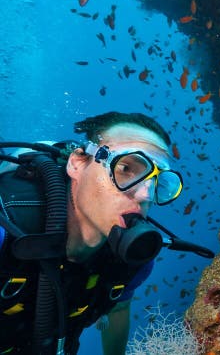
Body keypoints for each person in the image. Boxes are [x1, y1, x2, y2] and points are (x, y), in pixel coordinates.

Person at [0, 112, 183, 355]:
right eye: (126, 168)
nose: (145, 195)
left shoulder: (132, 262)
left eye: (158, 183)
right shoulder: (7, 228)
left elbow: (118, 308)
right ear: (77, 164)